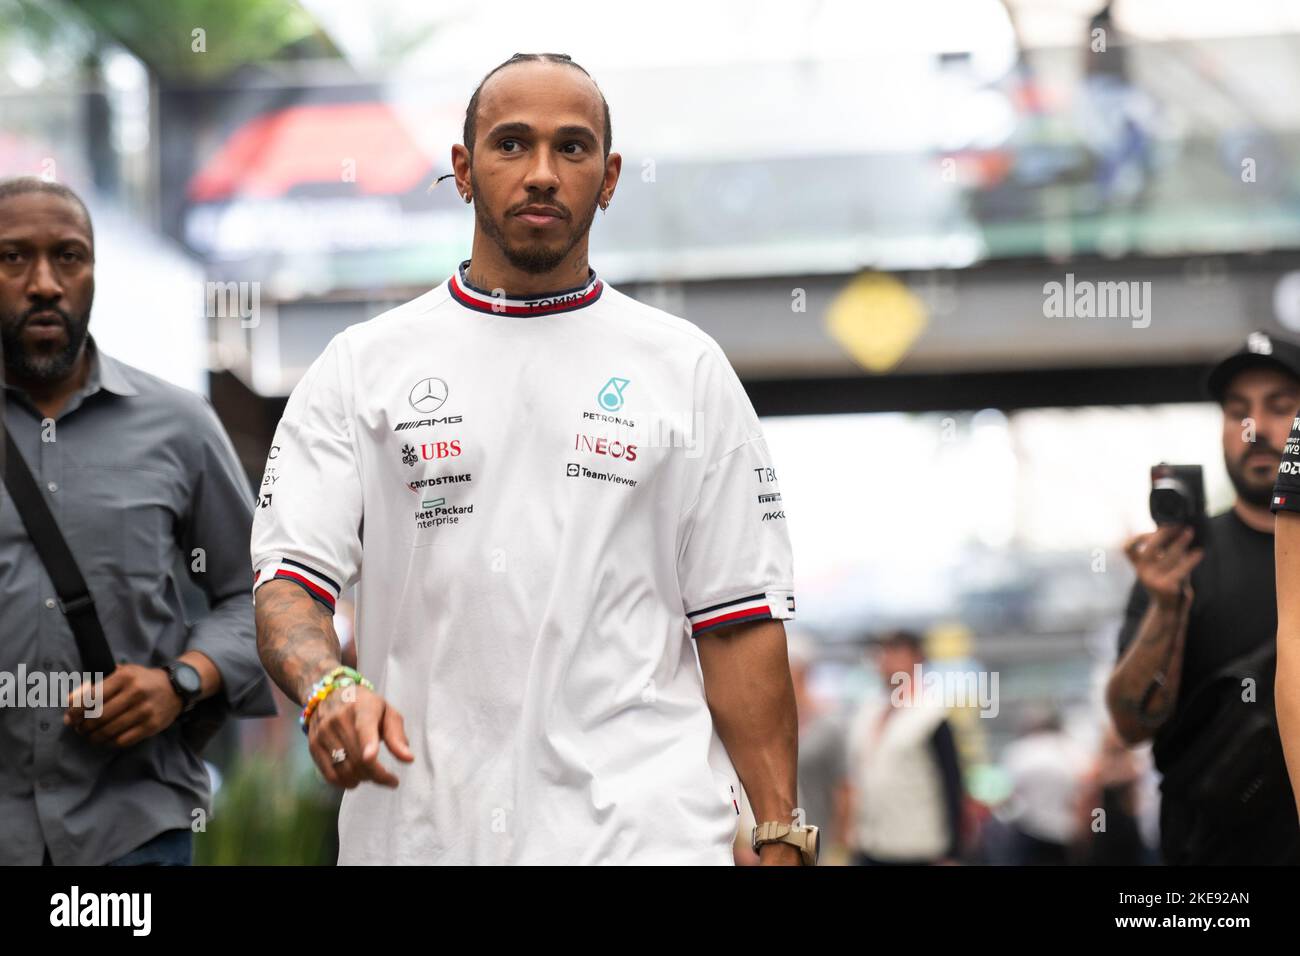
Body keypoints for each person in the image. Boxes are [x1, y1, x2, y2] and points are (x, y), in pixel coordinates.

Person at [251, 53, 805, 865]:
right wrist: (327, 686)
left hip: (649, 837)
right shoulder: (361, 367)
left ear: (609, 177)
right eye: (512, 144)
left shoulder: (686, 370)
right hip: (424, 837)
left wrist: (781, 830)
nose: (543, 173)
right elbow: (289, 585)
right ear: (464, 169)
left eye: (572, 149)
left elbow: (738, 626)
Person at [0, 176, 275, 865]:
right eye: (12, 258)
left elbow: (259, 595)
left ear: (93, 271)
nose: (44, 283)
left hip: (131, 833)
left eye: (68, 256)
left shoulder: (178, 427)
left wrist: (182, 679)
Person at [1107, 329, 1300, 864]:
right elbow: (1131, 725)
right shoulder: (1180, 561)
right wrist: (1166, 610)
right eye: (1237, 411)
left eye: (1281, 408)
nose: (1255, 428)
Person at [842, 631, 964, 866]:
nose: (886, 660)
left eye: (896, 651)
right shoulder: (868, 712)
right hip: (869, 845)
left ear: (918, 659)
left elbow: (952, 784)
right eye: (882, 652)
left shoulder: (932, 715)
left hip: (917, 850)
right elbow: (854, 778)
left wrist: (954, 852)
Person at [999, 707, 1086, 865]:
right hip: (1065, 833)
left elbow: (1009, 796)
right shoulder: (1073, 749)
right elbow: (1083, 791)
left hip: (1029, 831)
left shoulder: (1020, 751)